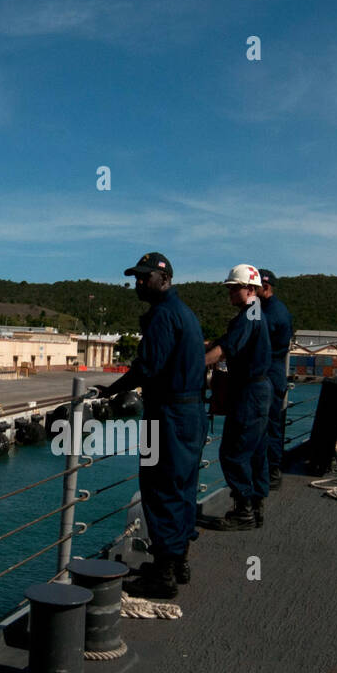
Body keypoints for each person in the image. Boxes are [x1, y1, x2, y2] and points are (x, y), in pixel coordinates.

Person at [94, 252, 205, 598]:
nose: (139, 283)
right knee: (183, 486)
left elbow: (148, 368)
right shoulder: (185, 314)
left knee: (159, 489)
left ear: (165, 278)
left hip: (168, 415)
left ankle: (164, 575)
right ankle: (177, 561)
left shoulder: (162, 316)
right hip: (190, 413)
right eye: (136, 278)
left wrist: (112, 391)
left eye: (145, 277)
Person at [204, 264, 272, 530]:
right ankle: (255, 506)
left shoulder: (249, 317)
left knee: (233, 453)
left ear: (251, 289)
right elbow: (223, 342)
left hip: (248, 393)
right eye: (230, 288)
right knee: (254, 451)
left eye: (235, 288)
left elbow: (224, 350)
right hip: (257, 391)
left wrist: (193, 366)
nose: (231, 292)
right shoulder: (254, 314)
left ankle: (243, 511)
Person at [257, 269, 294, 491]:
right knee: (269, 424)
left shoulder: (272, 313)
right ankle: (268, 469)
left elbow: (256, 341)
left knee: (270, 425)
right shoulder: (264, 309)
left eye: (254, 286)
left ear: (266, 287)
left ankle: (272, 471)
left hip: (270, 373)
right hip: (272, 372)